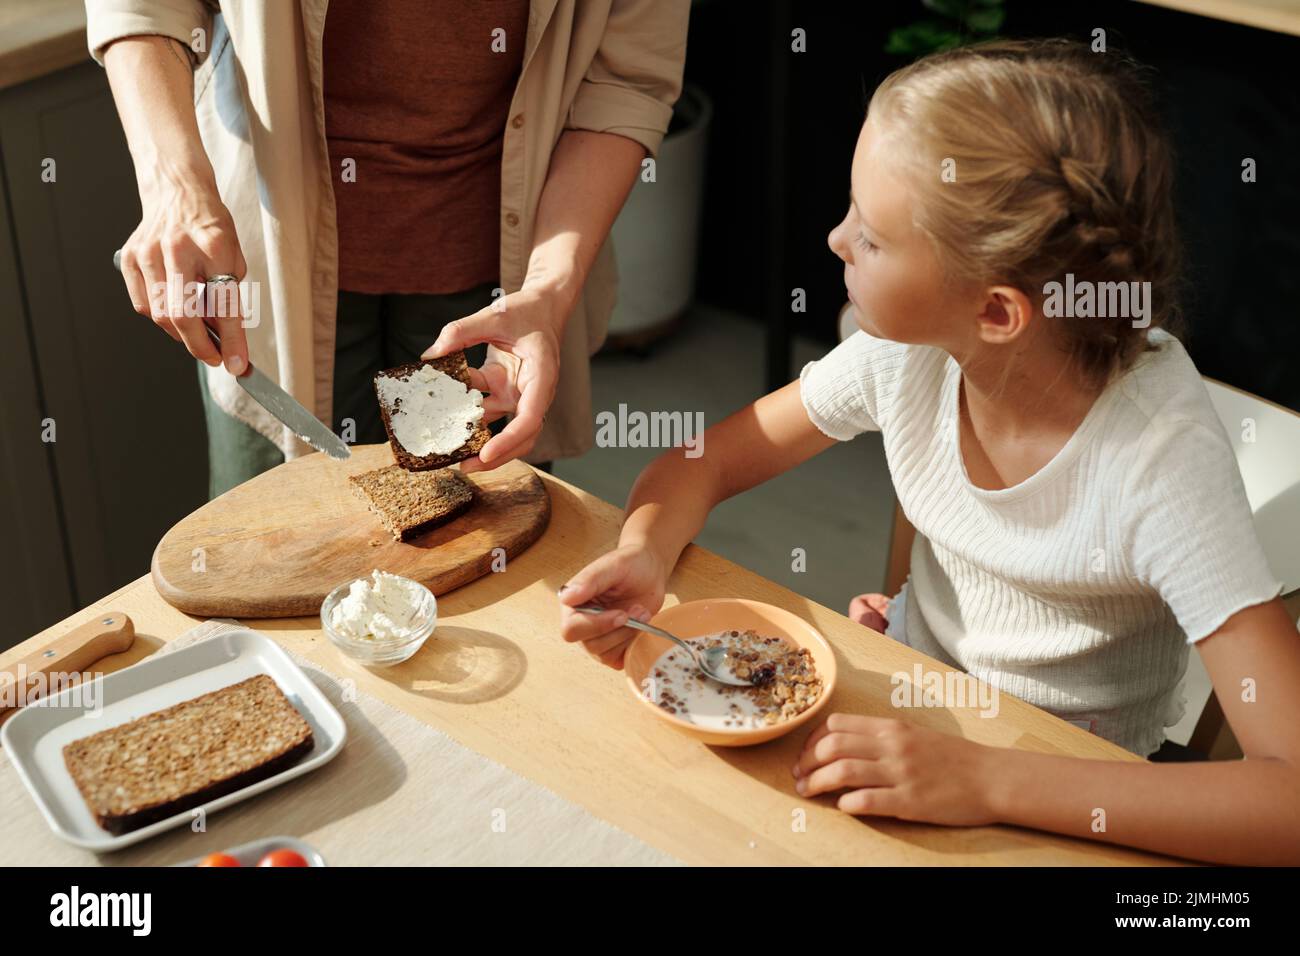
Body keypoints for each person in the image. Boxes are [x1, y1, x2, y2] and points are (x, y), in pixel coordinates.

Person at [557, 39, 1300, 865]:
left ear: (995, 313)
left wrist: (983, 779)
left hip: (1063, 784)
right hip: (910, 708)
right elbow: (705, 460)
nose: (836, 241)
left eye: (871, 237)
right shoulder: (906, 353)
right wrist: (645, 552)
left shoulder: (1159, 463)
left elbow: (1289, 799)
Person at [87, 0, 689, 496]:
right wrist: (175, 186)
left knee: (474, 552)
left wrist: (547, 292)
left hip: (493, 287)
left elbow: (623, 81)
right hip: (264, 261)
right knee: (280, 558)